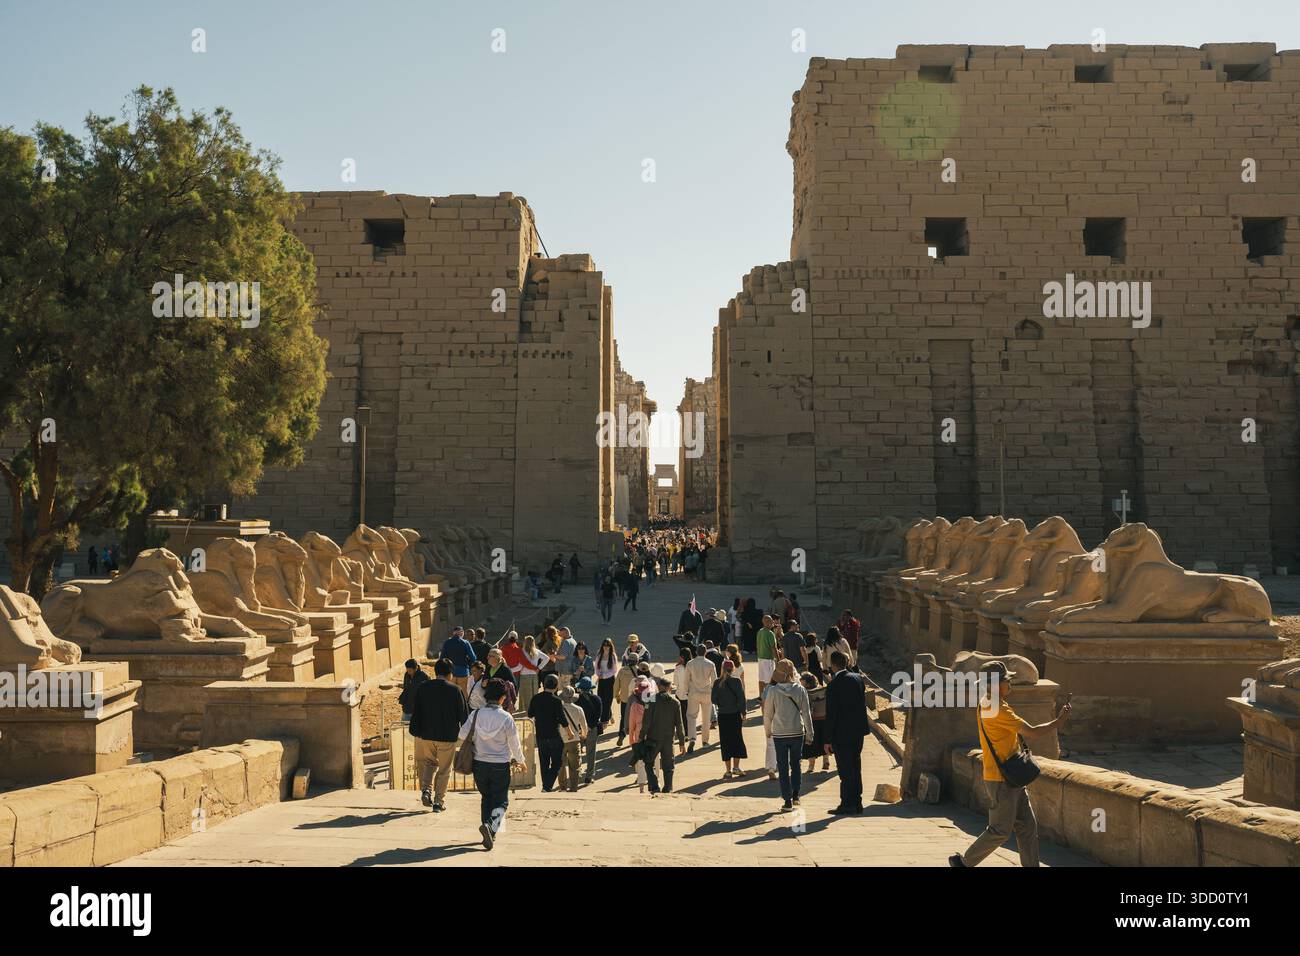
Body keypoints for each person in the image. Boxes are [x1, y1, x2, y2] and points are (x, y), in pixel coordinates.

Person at [951, 661, 1072, 867]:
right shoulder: (997, 709)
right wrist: (1058, 722)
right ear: (995, 684)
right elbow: (1032, 731)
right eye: (1007, 681)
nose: (1010, 685)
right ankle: (963, 863)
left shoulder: (989, 702)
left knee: (1027, 827)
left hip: (1008, 776)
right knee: (999, 830)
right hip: (1001, 779)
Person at [458, 679, 525, 850]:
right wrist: (521, 761)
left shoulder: (476, 714)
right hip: (500, 764)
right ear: (503, 698)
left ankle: (487, 829)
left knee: (486, 797)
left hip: (479, 764)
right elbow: (514, 743)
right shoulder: (506, 718)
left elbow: (461, 735)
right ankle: (491, 828)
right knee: (501, 801)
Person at [408, 658, 469, 812]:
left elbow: (417, 711)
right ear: (450, 673)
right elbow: (463, 715)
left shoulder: (423, 687)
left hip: (427, 735)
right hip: (447, 736)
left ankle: (426, 790)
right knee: (444, 770)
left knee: (429, 763)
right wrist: (467, 734)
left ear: (436, 672)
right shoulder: (455, 690)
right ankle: (438, 801)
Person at [763, 659, 814, 812]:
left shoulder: (772, 691)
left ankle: (787, 800)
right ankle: (796, 794)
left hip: (779, 733)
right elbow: (806, 714)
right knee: (796, 764)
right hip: (797, 731)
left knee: (783, 766)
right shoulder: (800, 690)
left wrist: (767, 731)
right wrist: (810, 734)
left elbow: (767, 714)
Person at [823, 650, 867, 814]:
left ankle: (847, 803)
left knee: (845, 770)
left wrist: (827, 739)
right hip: (858, 732)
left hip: (842, 734)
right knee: (856, 767)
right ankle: (857, 802)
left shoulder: (834, 685)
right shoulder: (857, 678)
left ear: (833, 665)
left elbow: (831, 715)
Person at [640, 676, 686, 795]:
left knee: (648, 762)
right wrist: (682, 742)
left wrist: (641, 736)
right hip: (668, 739)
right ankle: (668, 787)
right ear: (669, 688)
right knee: (668, 765)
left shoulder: (651, 700)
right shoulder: (675, 702)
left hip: (653, 738)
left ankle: (654, 785)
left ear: (659, 687)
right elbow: (679, 724)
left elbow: (646, 721)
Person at [527, 674, 568, 792]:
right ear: (556, 686)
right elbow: (563, 720)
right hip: (554, 735)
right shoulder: (557, 701)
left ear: (544, 685)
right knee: (557, 763)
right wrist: (569, 731)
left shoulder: (536, 698)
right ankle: (547, 786)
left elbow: (530, 714)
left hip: (540, 736)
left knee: (544, 763)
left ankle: (546, 786)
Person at [712, 659, 748, 778]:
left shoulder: (717, 682)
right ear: (733, 669)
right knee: (737, 739)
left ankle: (727, 771)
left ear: (722, 669)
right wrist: (743, 713)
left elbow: (713, 699)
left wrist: (722, 704)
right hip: (735, 714)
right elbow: (741, 699)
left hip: (723, 715)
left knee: (725, 741)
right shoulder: (736, 681)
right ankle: (736, 767)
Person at [682, 641, 719, 750]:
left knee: (691, 716)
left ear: (696, 652)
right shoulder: (710, 664)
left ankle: (692, 738)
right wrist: (712, 691)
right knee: (706, 718)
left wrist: (686, 691)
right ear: (705, 652)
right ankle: (705, 741)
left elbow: (686, 680)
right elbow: (714, 680)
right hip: (707, 693)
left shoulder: (690, 663)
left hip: (693, 692)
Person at [557, 685, 589, 792]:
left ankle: (562, 786)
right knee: (574, 766)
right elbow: (584, 725)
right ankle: (574, 787)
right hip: (574, 740)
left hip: (560, 739)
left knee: (560, 765)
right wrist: (584, 735)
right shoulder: (579, 709)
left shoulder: (558, 709)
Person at [575, 676, 604, 784]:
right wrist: (590, 726)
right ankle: (589, 776)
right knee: (591, 754)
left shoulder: (577, 700)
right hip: (593, 729)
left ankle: (577, 773)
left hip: (579, 730)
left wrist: (582, 728)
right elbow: (598, 715)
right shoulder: (597, 699)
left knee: (577, 753)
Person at [801, 672, 829, 774]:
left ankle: (811, 766)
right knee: (824, 740)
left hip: (812, 721)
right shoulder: (823, 689)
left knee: (810, 744)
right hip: (824, 719)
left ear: (807, 683)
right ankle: (826, 760)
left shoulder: (805, 693)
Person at [440, 626, 477, 697]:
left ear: (453, 633)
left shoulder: (447, 643)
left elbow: (442, 658)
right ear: (462, 633)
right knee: (464, 693)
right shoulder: (465, 643)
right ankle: (464, 707)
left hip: (450, 672)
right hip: (463, 671)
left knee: (451, 693)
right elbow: (473, 658)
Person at [517, 634, 545, 712]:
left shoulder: (522, 651)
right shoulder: (536, 651)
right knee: (534, 693)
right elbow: (547, 658)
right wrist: (539, 668)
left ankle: (524, 710)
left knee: (525, 694)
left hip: (524, 675)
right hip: (534, 675)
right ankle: (534, 709)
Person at [614, 656, 637, 746]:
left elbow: (616, 684)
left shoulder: (622, 670)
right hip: (636, 700)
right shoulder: (638, 671)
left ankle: (621, 735)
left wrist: (617, 696)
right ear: (637, 661)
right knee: (636, 719)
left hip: (624, 699)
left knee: (624, 718)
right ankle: (634, 739)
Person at [595, 638, 618, 724]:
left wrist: (604, 676)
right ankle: (610, 715)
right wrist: (598, 674)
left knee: (608, 700)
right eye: (604, 644)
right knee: (601, 700)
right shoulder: (599, 654)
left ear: (610, 646)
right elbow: (596, 667)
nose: (606, 646)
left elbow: (614, 670)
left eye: (608, 645)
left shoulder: (613, 656)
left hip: (610, 680)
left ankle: (604, 721)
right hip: (601, 680)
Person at [756, 615, 778, 697]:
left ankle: (761, 695)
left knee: (761, 679)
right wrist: (778, 659)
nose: (773, 622)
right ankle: (768, 697)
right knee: (769, 680)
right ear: (767, 622)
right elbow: (773, 648)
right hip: (768, 659)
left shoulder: (760, 631)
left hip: (760, 658)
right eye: (771, 621)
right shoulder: (770, 633)